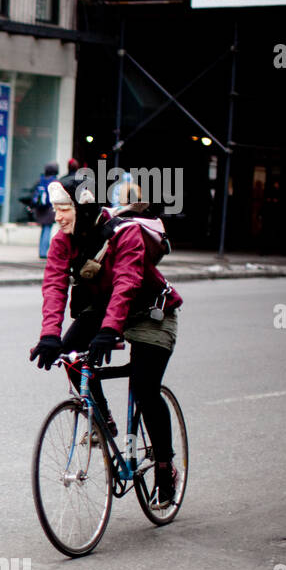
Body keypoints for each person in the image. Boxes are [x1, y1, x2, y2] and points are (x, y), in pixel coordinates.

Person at [28, 175, 183, 507]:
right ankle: (104, 421)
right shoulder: (62, 240)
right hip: (103, 309)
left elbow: (127, 282)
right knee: (70, 358)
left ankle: (165, 468)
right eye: (55, 209)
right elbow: (53, 286)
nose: (57, 216)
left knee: (144, 387)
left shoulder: (125, 233)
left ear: (83, 208)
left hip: (150, 310)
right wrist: (49, 336)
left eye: (63, 208)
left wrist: (110, 330)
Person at [30, 162, 59, 259]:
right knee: (47, 229)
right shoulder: (54, 181)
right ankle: (43, 252)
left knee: (43, 229)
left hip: (40, 208)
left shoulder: (40, 180)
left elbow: (33, 193)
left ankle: (41, 250)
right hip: (49, 209)